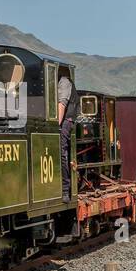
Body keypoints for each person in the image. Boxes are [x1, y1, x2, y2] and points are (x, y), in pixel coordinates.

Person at [56, 71, 76, 201]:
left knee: (61, 149)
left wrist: (55, 125)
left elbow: (61, 105)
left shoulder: (64, 82)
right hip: (59, 119)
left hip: (66, 120)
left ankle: (65, 189)